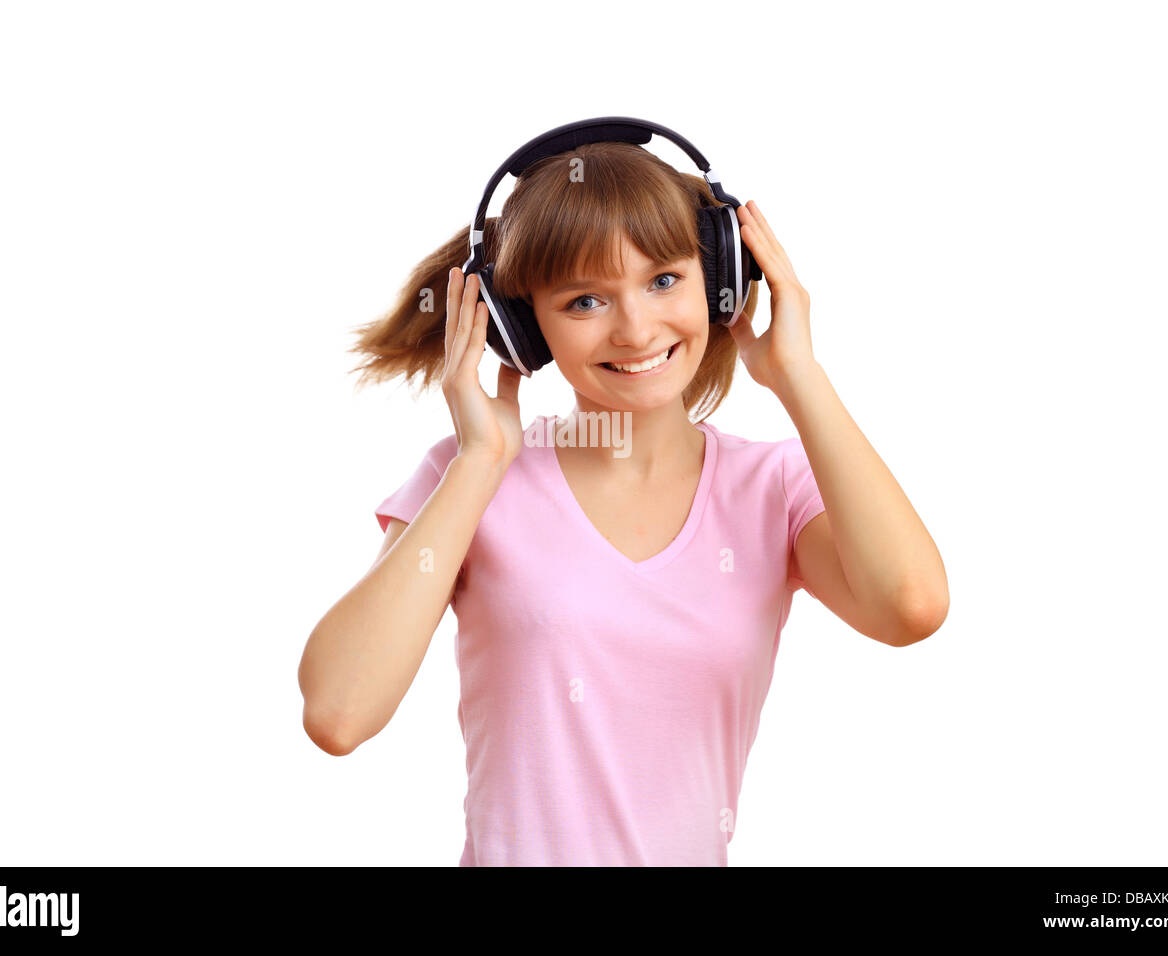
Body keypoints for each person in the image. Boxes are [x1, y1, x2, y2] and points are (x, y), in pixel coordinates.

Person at [297, 135, 949, 866]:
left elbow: (911, 609)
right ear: (522, 327)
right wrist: (480, 462)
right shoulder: (468, 479)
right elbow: (337, 713)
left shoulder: (776, 488)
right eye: (584, 300)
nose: (636, 329)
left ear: (720, 276)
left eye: (664, 280)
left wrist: (799, 375)